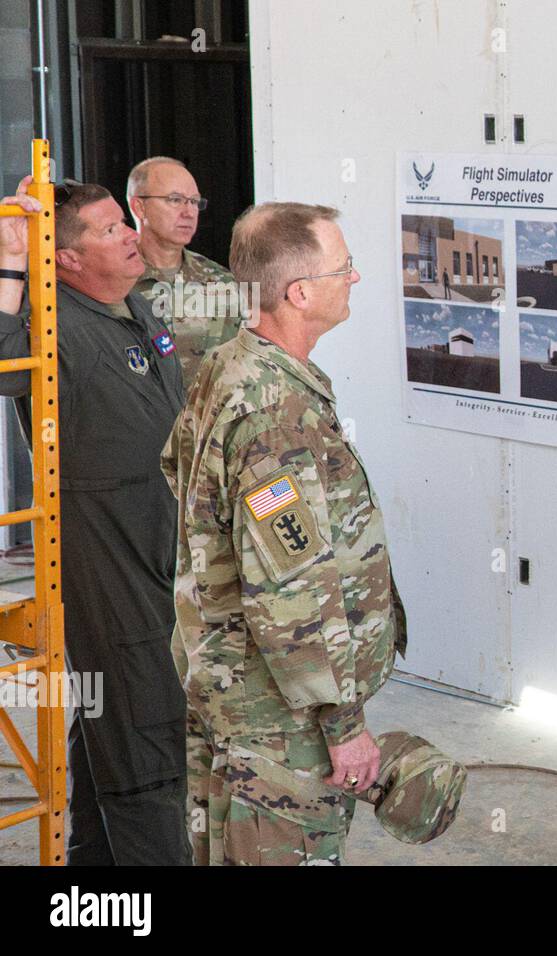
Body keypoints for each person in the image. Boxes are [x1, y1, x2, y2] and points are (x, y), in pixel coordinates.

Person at [162, 201, 407, 865]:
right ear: (300, 293)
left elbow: (179, 480)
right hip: (276, 716)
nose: (354, 279)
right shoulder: (278, 416)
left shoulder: (225, 368)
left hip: (227, 684)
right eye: (345, 268)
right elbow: (290, 590)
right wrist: (344, 724)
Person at [0, 177, 189, 865]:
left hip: (157, 541)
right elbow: (0, 359)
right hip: (101, 549)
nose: (131, 236)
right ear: (68, 259)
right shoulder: (54, 327)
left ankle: (91, 879)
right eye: (110, 231)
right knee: (144, 732)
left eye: (123, 223)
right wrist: (12, 257)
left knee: (108, 715)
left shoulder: (131, 308)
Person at [127, 157, 242, 387]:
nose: (189, 212)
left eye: (194, 202)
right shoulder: (115, 281)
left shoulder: (222, 281)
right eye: (175, 200)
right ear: (139, 206)